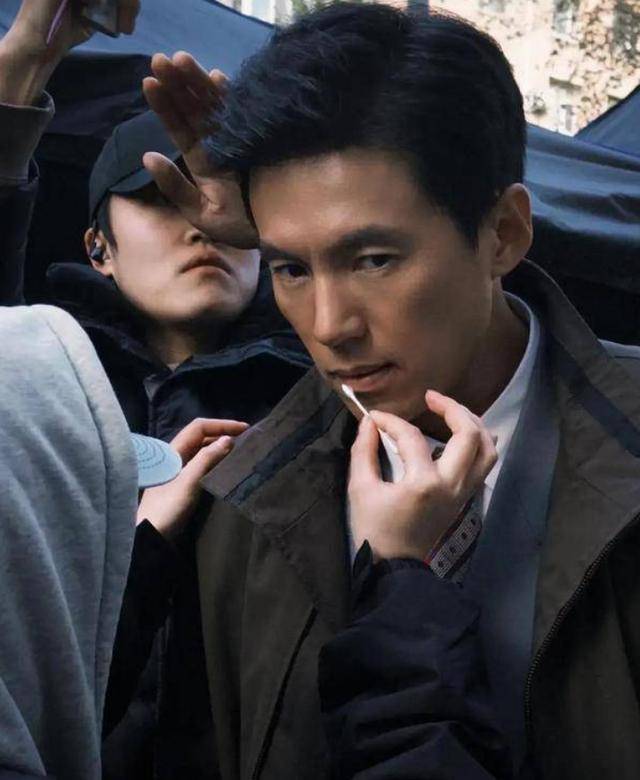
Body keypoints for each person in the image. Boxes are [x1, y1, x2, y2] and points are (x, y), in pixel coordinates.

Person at [141, 3, 640, 778]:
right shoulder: (241, 503)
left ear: (504, 233)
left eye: (374, 260)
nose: (330, 325)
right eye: (290, 268)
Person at [0, 2, 309, 775]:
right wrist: (22, 66)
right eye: (162, 198)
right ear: (97, 248)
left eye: (227, 200)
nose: (202, 223)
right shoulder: (42, 376)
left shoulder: (325, 392)